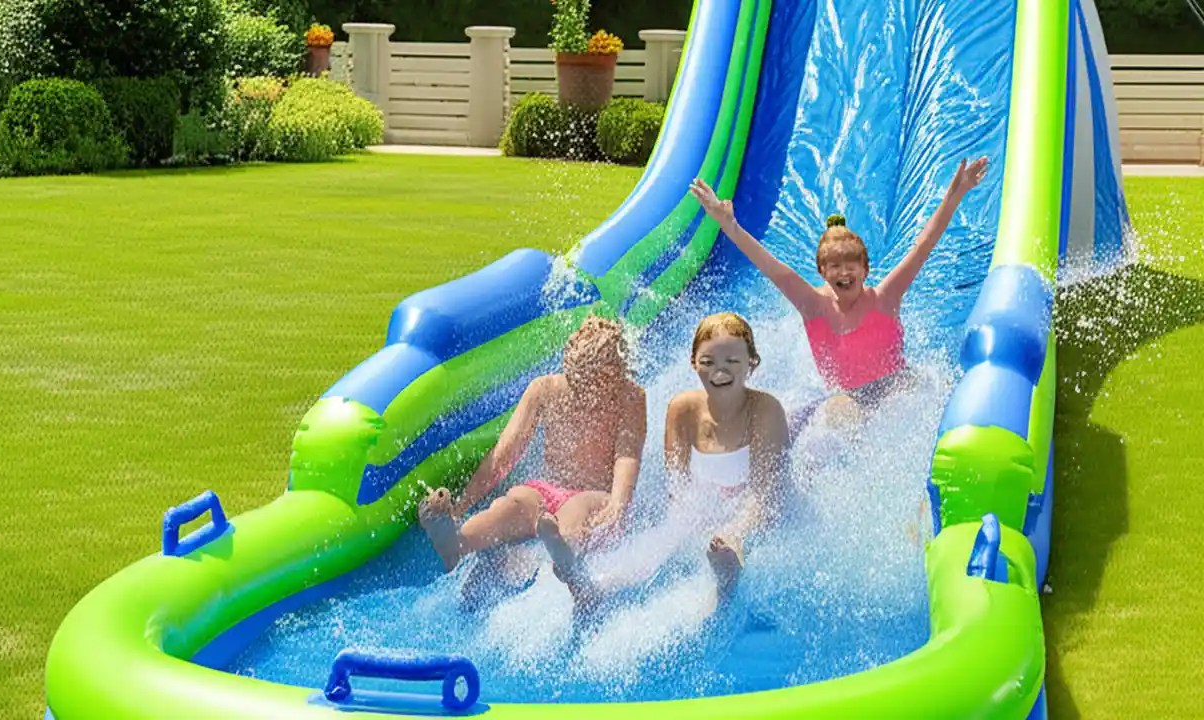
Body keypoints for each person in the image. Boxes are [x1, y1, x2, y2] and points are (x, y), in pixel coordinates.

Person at [689, 158, 990, 421]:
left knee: (928, 394)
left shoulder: (885, 298)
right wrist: (730, 226)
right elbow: (770, 266)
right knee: (814, 421)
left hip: (897, 388)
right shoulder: (812, 305)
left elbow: (924, 245)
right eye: (834, 266)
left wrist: (956, 193)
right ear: (822, 272)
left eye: (851, 265)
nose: (844, 272)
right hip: (846, 399)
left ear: (865, 270)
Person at [538, 312, 788, 612]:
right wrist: (684, 526)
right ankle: (586, 582)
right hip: (706, 504)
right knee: (659, 545)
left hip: (757, 508)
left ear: (752, 363)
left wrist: (734, 531)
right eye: (708, 362)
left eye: (731, 361)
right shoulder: (682, 409)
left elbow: (767, 496)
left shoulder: (765, 410)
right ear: (694, 362)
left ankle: (726, 577)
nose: (719, 371)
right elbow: (678, 487)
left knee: (731, 540)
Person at [418, 315, 647, 581]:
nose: (585, 395)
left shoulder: (631, 398)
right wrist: (461, 505)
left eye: (593, 386)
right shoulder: (545, 388)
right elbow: (506, 452)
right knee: (511, 505)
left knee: (576, 514)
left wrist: (619, 504)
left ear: (614, 375)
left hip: (593, 494)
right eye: (577, 383)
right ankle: (457, 542)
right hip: (545, 491)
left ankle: (566, 555)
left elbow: (627, 455)